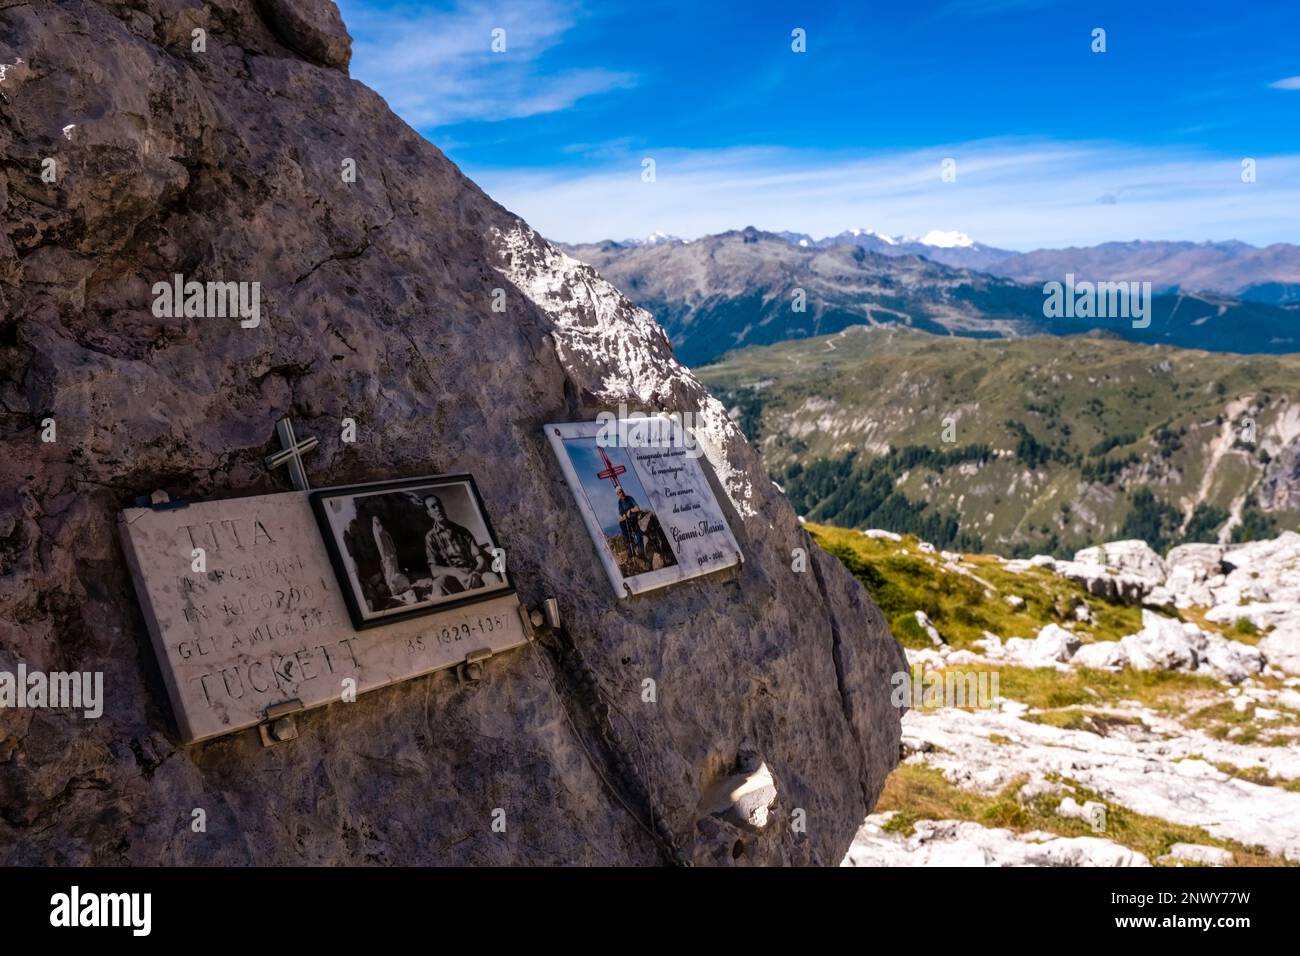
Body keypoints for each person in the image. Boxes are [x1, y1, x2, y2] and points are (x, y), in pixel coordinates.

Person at [421, 494, 499, 595]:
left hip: (473, 573)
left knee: (492, 578)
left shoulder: (463, 531)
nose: (438, 509)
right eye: (433, 507)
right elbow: (434, 570)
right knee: (438, 584)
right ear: (429, 513)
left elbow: (480, 559)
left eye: (439, 505)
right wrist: (455, 572)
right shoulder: (431, 537)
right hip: (453, 578)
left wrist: (477, 572)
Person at [616, 488, 645, 559]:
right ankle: (629, 548)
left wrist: (630, 510)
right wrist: (624, 515)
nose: (621, 493)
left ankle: (640, 550)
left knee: (636, 529)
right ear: (617, 495)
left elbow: (638, 508)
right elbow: (621, 512)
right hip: (627, 518)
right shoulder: (620, 501)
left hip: (633, 515)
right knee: (621, 523)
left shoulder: (630, 498)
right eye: (619, 493)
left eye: (622, 491)